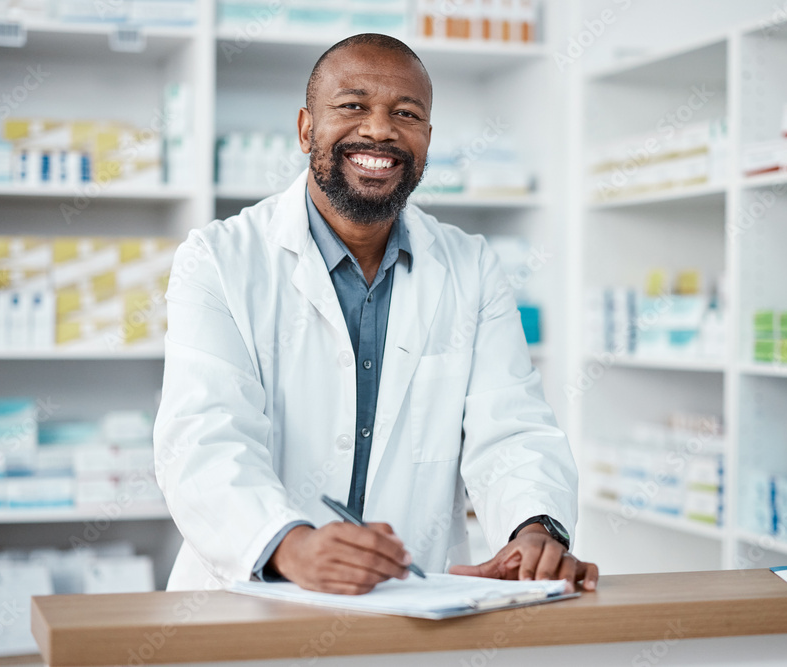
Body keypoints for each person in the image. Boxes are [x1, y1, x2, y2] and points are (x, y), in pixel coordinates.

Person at [154, 33, 598, 595]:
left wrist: (535, 529)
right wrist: (291, 544)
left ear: (427, 141)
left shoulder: (471, 267)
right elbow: (202, 439)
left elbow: (511, 427)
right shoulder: (218, 259)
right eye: (353, 106)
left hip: (413, 604)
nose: (380, 129)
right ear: (305, 128)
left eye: (405, 114)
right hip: (247, 606)